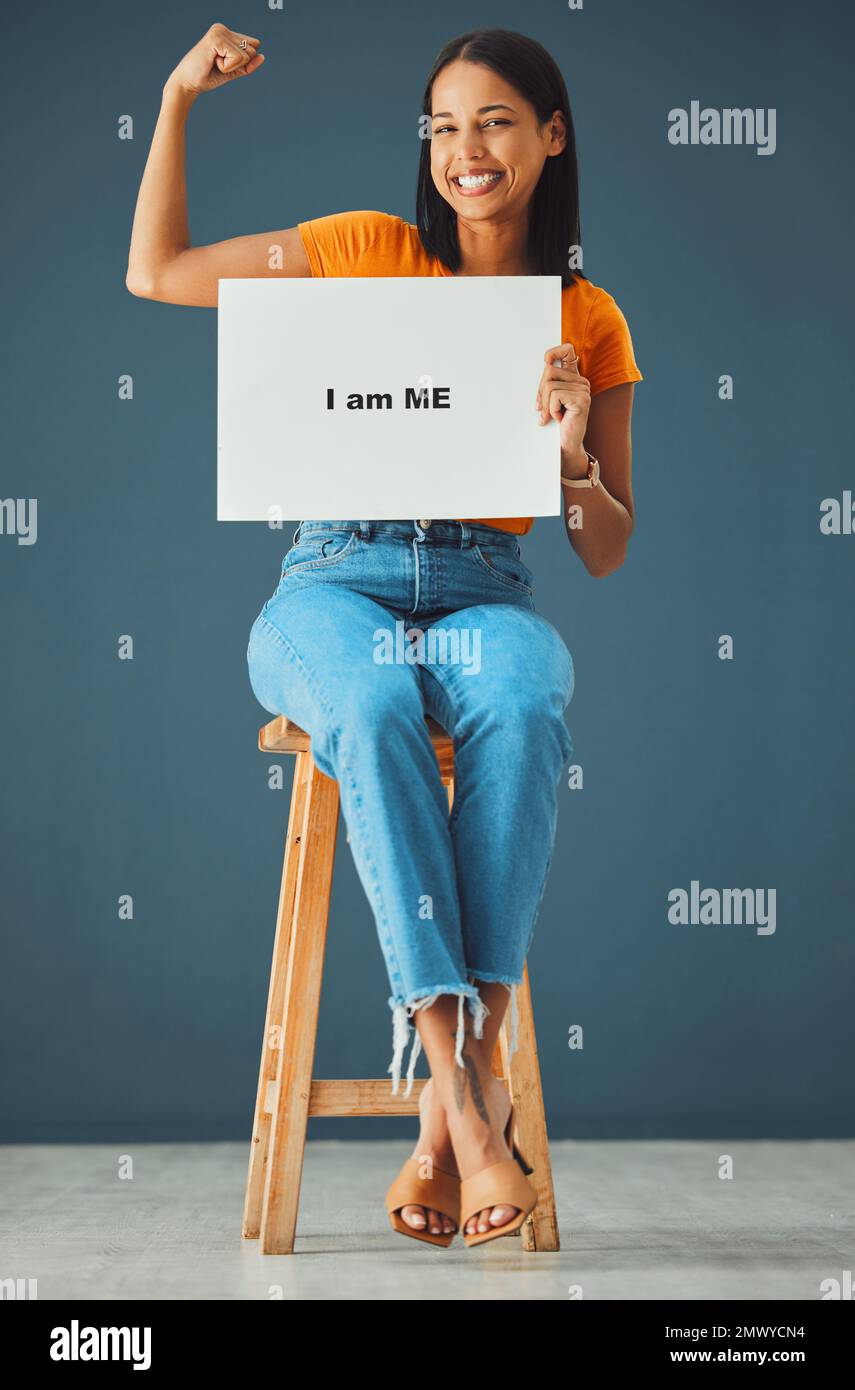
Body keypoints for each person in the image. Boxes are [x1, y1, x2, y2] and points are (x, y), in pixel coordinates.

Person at [126, 22, 642, 1248]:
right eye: (448, 126)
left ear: (551, 136)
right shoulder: (365, 250)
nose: (469, 151)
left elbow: (609, 543)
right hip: (332, 581)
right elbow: (156, 272)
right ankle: (470, 1105)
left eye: (498, 122)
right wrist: (175, 100)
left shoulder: (587, 312)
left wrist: (569, 461)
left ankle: (436, 1127)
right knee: (371, 703)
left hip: (484, 587)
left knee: (522, 698)